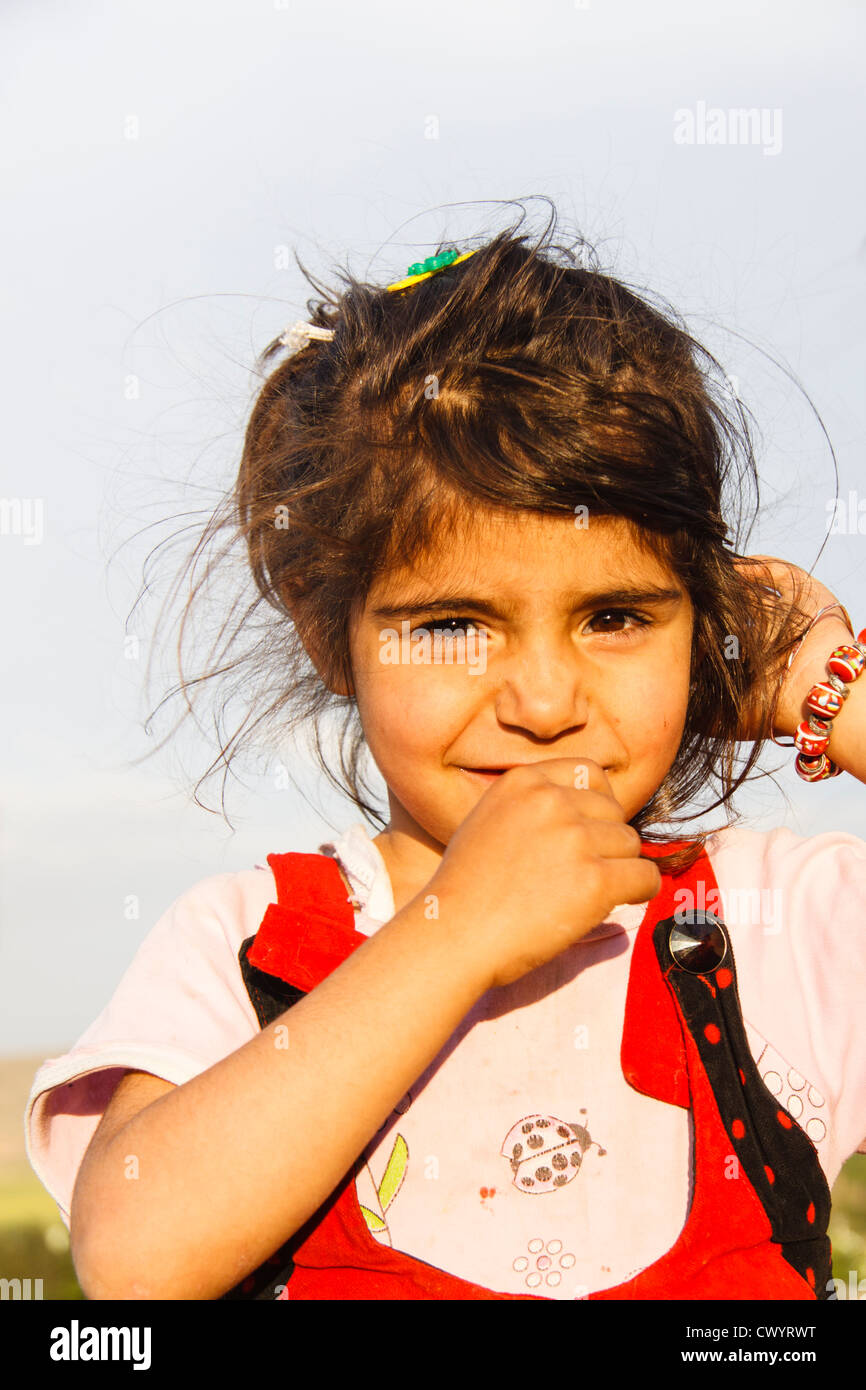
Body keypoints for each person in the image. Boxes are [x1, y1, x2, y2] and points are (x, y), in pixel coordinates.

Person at [24, 214, 866, 1301]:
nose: (544, 699)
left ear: (699, 628)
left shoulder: (775, 929)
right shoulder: (258, 946)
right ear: (333, 636)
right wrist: (452, 934)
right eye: (451, 624)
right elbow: (136, 1261)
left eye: (614, 617)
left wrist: (830, 688)